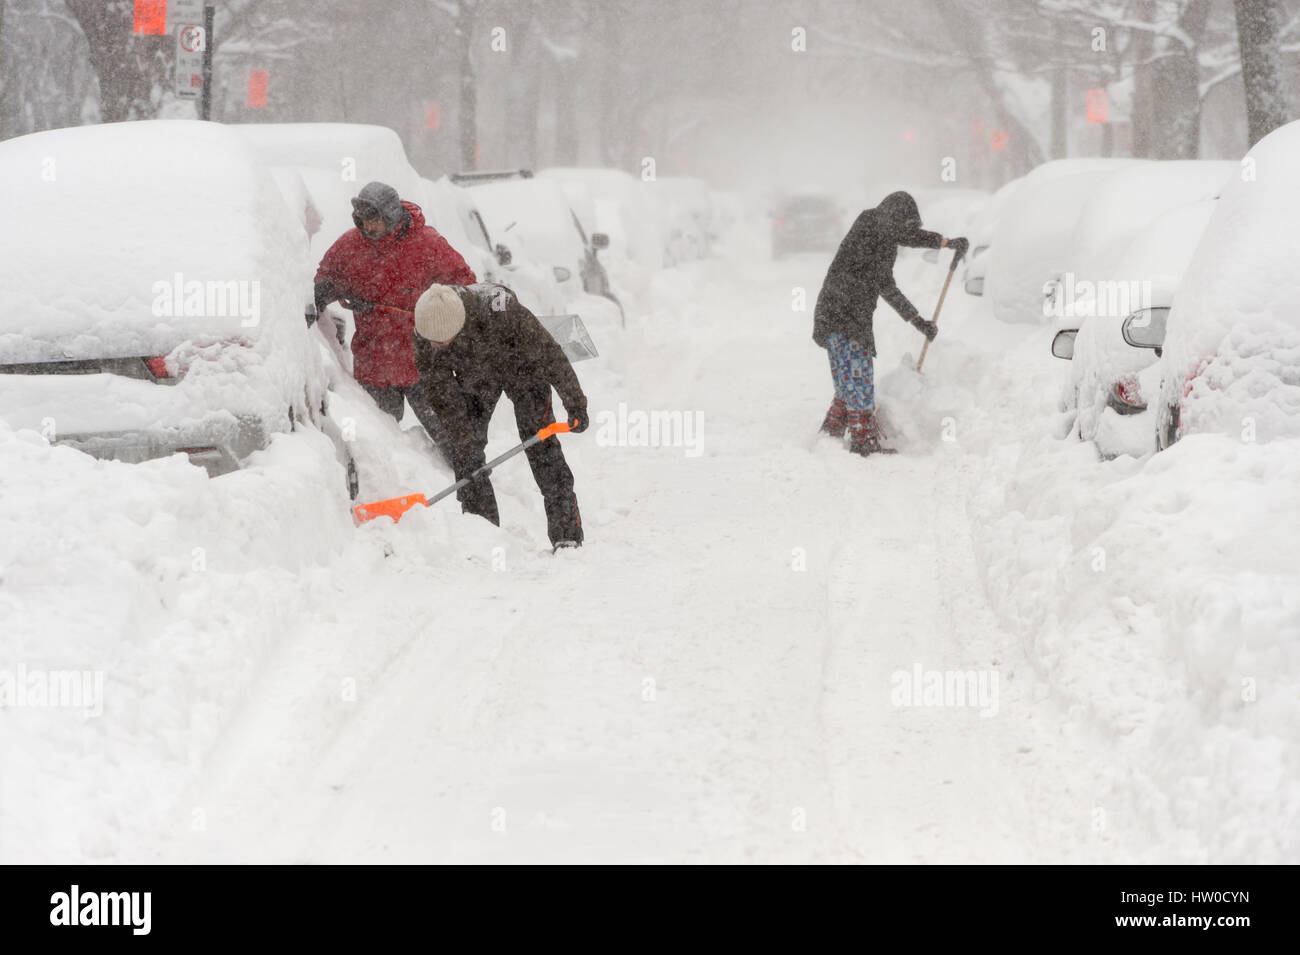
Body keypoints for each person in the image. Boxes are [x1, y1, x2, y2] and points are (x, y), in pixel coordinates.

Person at [412, 283, 589, 551]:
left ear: (458, 328)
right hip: (476, 378)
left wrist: (575, 402)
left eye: (440, 342)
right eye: (430, 342)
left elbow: (550, 354)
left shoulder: (502, 310)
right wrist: (467, 446)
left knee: (541, 444)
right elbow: (444, 398)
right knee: (465, 456)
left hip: (523, 368)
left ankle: (567, 534)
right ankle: (481, 534)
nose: (433, 347)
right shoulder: (426, 333)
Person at [313, 181, 477, 459]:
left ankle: (471, 479)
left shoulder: (427, 244)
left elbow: (465, 286)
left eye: (374, 220)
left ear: (391, 215)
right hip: (374, 366)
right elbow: (325, 277)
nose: (368, 227)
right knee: (379, 449)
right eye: (363, 220)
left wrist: (439, 310)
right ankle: (395, 492)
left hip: (424, 364)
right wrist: (326, 289)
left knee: (454, 443)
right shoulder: (350, 245)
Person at [812, 191, 968, 455]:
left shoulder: (880, 236)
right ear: (894, 216)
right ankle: (863, 441)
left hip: (836, 314)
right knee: (859, 378)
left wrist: (946, 243)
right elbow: (898, 255)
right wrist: (944, 243)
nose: (906, 232)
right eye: (905, 224)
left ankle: (832, 431)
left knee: (847, 378)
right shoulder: (871, 225)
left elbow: (891, 279)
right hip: (845, 314)